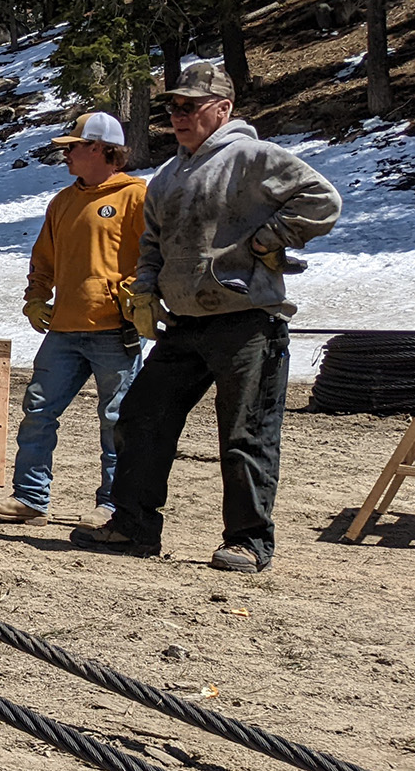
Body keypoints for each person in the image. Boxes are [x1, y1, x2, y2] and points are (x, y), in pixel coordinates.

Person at [74, 62, 341, 574]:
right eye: (173, 106)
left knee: (245, 431)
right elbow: (150, 243)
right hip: (184, 322)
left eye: (189, 105)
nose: (178, 114)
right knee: (142, 416)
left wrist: (266, 240)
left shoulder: (253, 156)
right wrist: (146, 291)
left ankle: (248, 541)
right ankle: (132, 525)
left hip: (247, 320)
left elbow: (323, 202)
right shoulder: (168, 175)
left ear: (223, 109)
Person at [0, 112, 146, 525]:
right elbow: (43, 259)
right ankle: (30, 499)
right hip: (64, 329)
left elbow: (156, 256)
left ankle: (113, 503)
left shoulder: (136, 198)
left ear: (102, 150)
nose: (65, 154)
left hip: (114, 331)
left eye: (73, 147)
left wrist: (135, 290)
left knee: (117, 420)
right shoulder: (63, 202)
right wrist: (35, 297)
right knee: (38, 411)